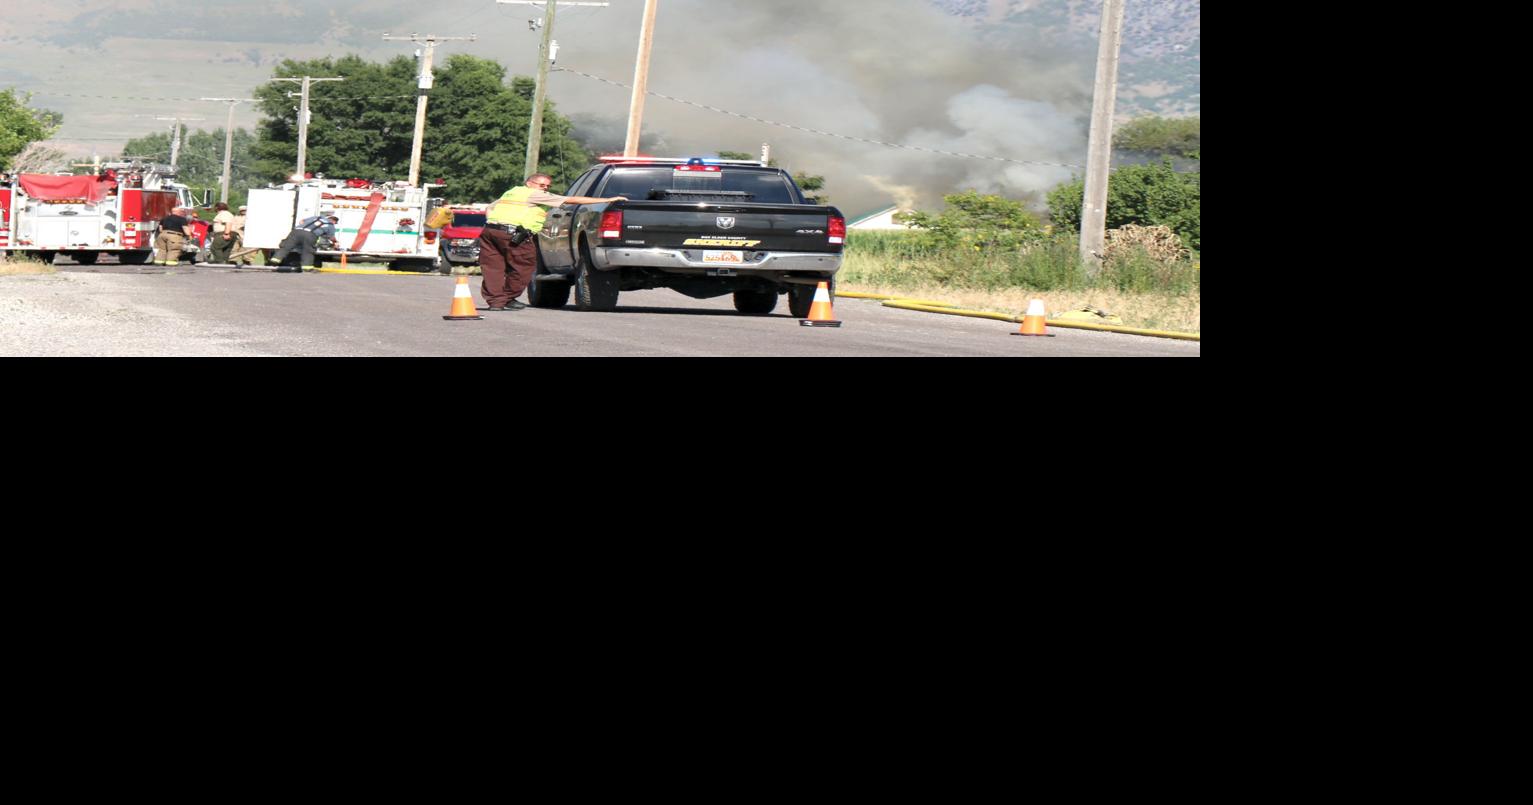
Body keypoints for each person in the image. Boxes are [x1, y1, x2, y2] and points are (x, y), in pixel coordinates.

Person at [479, 174, 626, 311]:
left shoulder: (513, 192)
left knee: (493, 268)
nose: (545, 189)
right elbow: (571, 200)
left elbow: (489, 207)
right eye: (542, 185)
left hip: (490, 231)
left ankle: (496, 302)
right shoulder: (535, 194)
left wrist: (494, 222)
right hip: (513, 235)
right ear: (529, 183)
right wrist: (607, 200)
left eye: (548, 186)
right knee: (524, 266)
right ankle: (507, 298)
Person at [271, 212, 340, 272]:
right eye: (335, 223)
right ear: (334, 221)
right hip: (310, 235)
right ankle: (307, 268)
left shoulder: (316, 217)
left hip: (296, 231)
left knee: (286, 246)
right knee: (308, 251)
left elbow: (301, 221)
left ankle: (275, 260)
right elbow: (331, 237)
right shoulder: (330, 225)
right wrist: (335, 242)